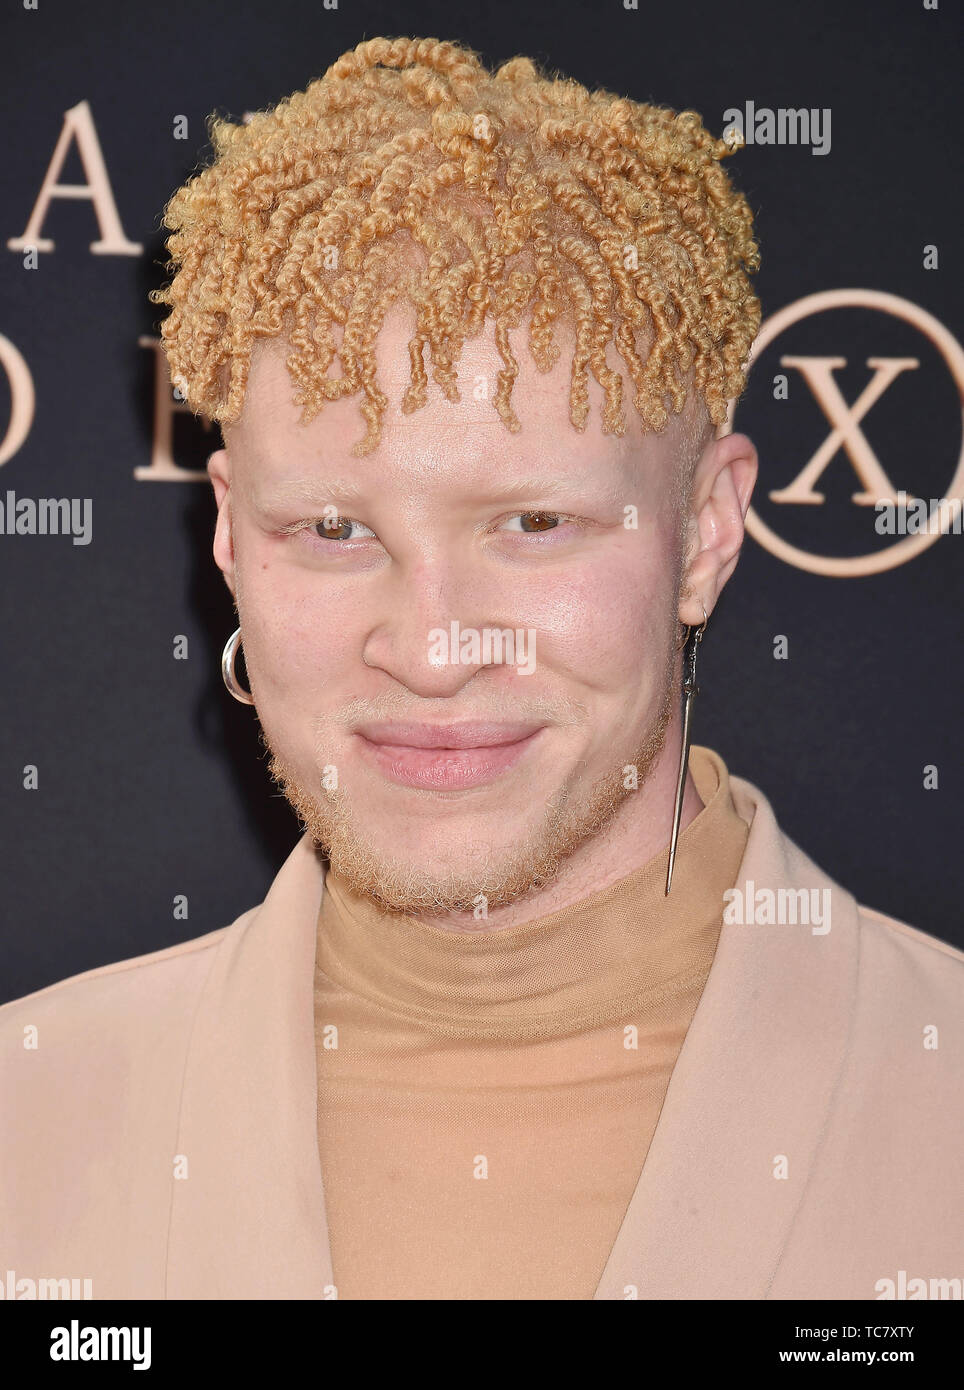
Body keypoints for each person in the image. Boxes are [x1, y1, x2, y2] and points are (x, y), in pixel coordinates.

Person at [1, 35, 960, 1302]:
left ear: (707, 534)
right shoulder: (33, 1112)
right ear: (229, 536)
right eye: (335, 531)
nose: (435, 649)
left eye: (533, 524)